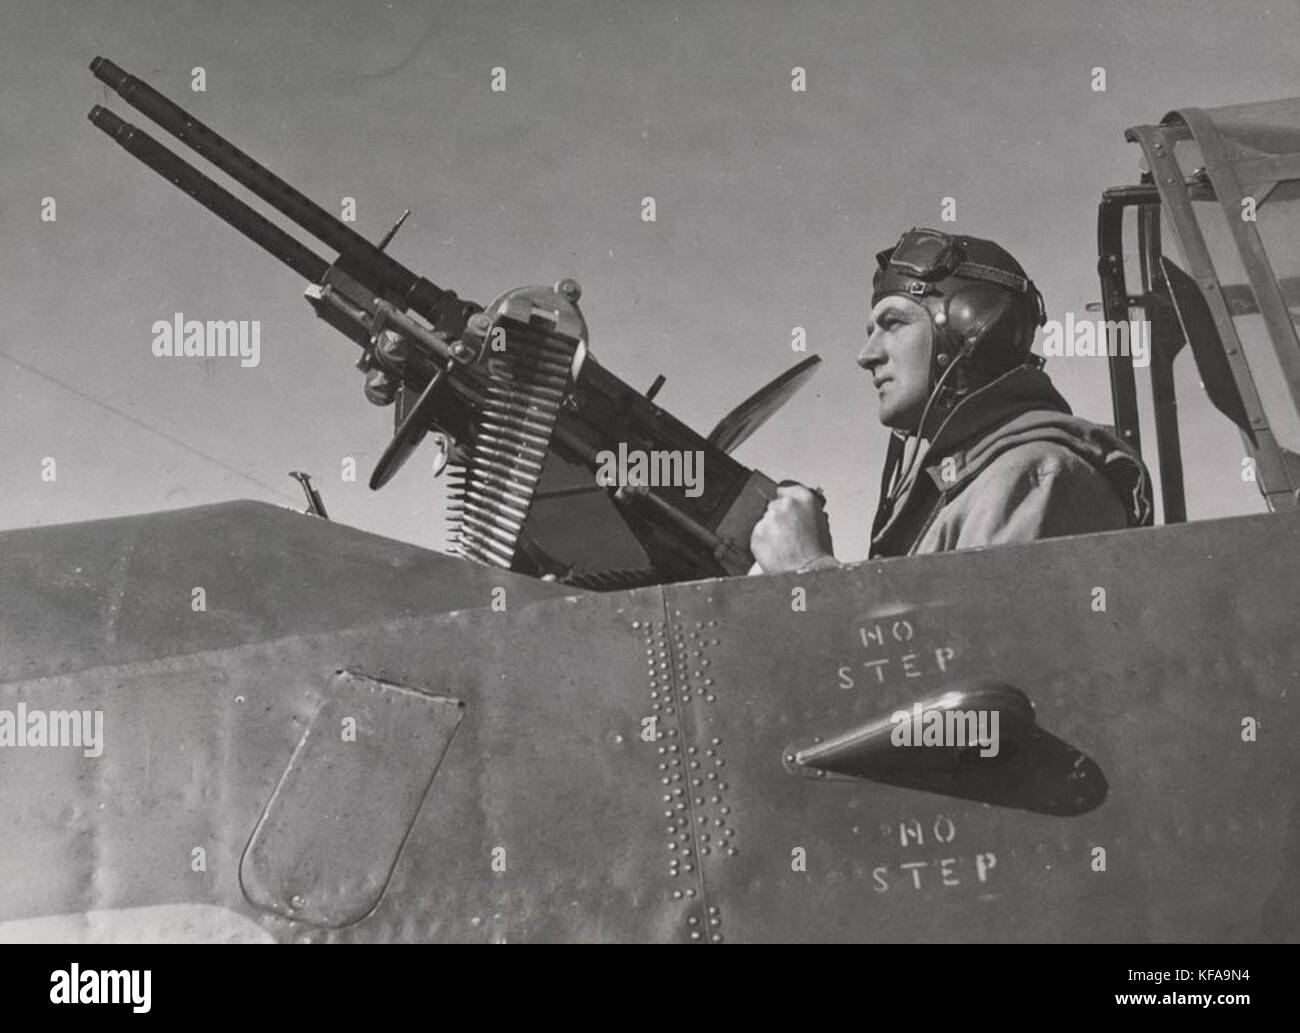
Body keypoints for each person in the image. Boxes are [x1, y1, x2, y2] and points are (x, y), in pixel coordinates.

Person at [749, 227, 1152, 574]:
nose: (866, 354)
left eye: (893, 324)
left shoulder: (1034, 477)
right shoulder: (964, 483)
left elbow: (977, 658)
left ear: (973, 327)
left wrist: (807, 571)